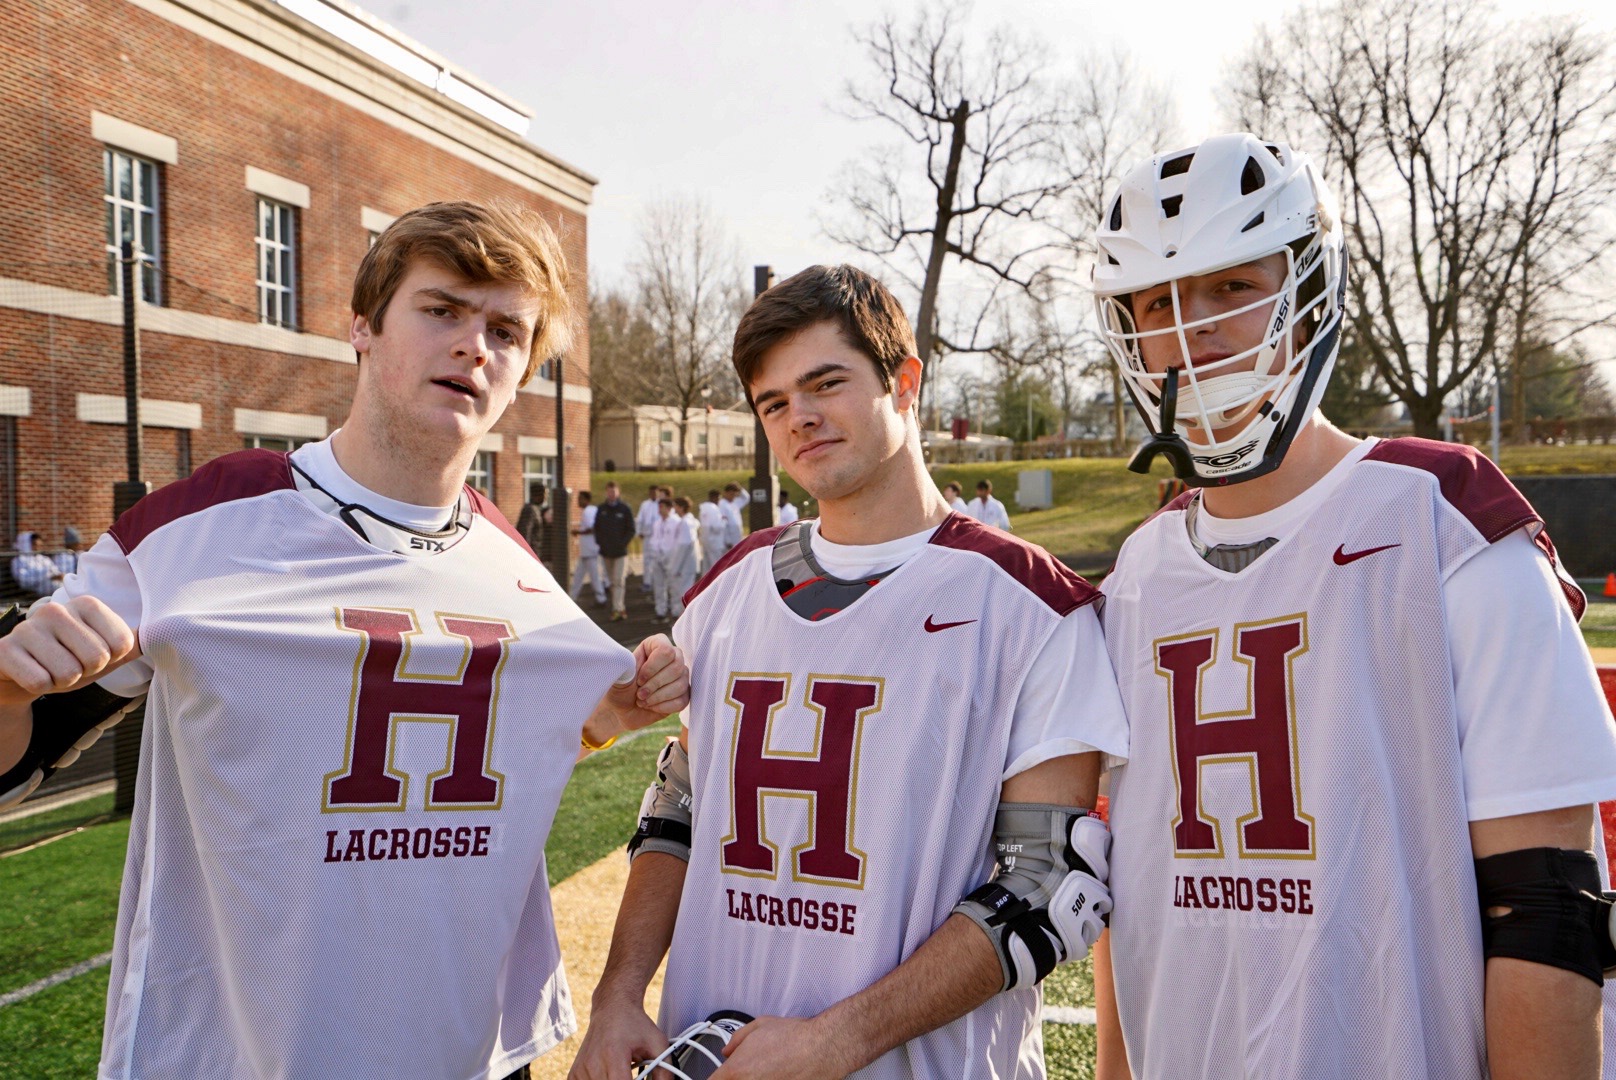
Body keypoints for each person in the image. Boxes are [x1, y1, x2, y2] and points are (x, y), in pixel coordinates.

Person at [0, 202, 690, 1080]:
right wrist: (7, 688)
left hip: (469, 1055)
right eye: (441, 310)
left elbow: (501, 736)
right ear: (362, 327)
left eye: (506, 331)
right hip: (234, 1055)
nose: (474, 345)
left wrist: (611, 714)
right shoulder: (202, 522)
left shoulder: (515, 566)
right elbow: (19, 760)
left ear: (521, 375)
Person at [1087, 134, 1616, 1080]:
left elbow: (1550, 905)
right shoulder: (1134, 577)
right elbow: (1125, 901)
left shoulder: (1444, 519)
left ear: (1308, 296)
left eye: (1230, 287)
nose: (1191, 328)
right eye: (1157, 302)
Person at [571, 264, 1128, 1080]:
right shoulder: (729, 590)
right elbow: (677, 811)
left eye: (826, 383)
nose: (800, 416)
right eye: (773, 403)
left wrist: (838, 1039)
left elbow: (1047, 885)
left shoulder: (1031, 602)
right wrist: (617, 995)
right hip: (716, 1053)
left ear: (904, 383)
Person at [647, 497, 696, 623]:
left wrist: (674, 561)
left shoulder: (677, 521)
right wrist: (654, 551)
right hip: (658, 556)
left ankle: (676, 613)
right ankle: (661, 611)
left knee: (675, 587)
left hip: (671, 558)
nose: (660, 510)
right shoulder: (657, 522)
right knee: (659, 586)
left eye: (662, 507)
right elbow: (654, 539)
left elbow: (681, 543)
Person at [594, 481, 637, 622]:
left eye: (614, 491)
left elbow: (631, 529)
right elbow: (597, 529)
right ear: (606, 492)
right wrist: (601, 544)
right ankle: (619, 607)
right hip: (606, 552)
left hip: (620, 553)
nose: (611, 494)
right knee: (612, 581)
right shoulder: (601, 509)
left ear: (618, 492)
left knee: (619, 580)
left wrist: (622, 544)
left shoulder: (625, 509)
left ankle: (617, 609)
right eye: (609, 491)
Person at [569, 489, 605, 607]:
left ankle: (601, 598)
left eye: (580, 499)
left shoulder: (588, 512)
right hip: (587, 550)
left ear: (586, 500)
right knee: (579, 575)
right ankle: (572, 597)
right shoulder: (593, 510)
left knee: (594, 576)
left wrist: (577, 532)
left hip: (590, 549)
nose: (578, 501)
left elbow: (591, 528)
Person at [10, 531, 57, 598]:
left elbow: (55, 571)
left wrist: (59, 576)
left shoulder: (44, 558)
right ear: (26, 544)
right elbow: (23, 580)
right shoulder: (18, 560)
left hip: (49, 583)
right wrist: (47, 576)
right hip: (35, 588)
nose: (37, 548)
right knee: (56, 586)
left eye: (39, 546)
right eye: (34, 545)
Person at [636, 484, 661, 596]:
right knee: (647, 560)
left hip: (659, 537)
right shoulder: (645, 504)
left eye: (655, 492)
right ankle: (647, 582)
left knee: (657, 560)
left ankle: (657, 582)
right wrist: (639, 531)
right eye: (651, 493)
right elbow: (640, 518)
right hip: (647, 536)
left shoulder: (661, 504)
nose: (653, 495)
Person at [516, 482, 550, 560]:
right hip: (530, 554)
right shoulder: (529, 510)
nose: (546, 497)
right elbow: (525, 532)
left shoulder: (536, 509)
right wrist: (526, 553)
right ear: (538, 494)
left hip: (535, 552)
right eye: (545, 494)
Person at [698, 488, 726, 572]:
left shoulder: (703, 508)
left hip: (706, 541)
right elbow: (716, 528)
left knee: (706, 567)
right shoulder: (714, 509)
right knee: (716, 567)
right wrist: (724, 521)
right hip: (715, 542)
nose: (719, 501)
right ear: (715, 498)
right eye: (718, 499)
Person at [719, 482, 746, 551]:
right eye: (731, 494)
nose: (733, 496)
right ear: (725, 493)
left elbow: (746, 498)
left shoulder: (735, 503)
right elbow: (723, 524)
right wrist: (727, 540)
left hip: (738, 535)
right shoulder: (722, 504)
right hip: (729, 539)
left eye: (734, 494)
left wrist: (739, 488)